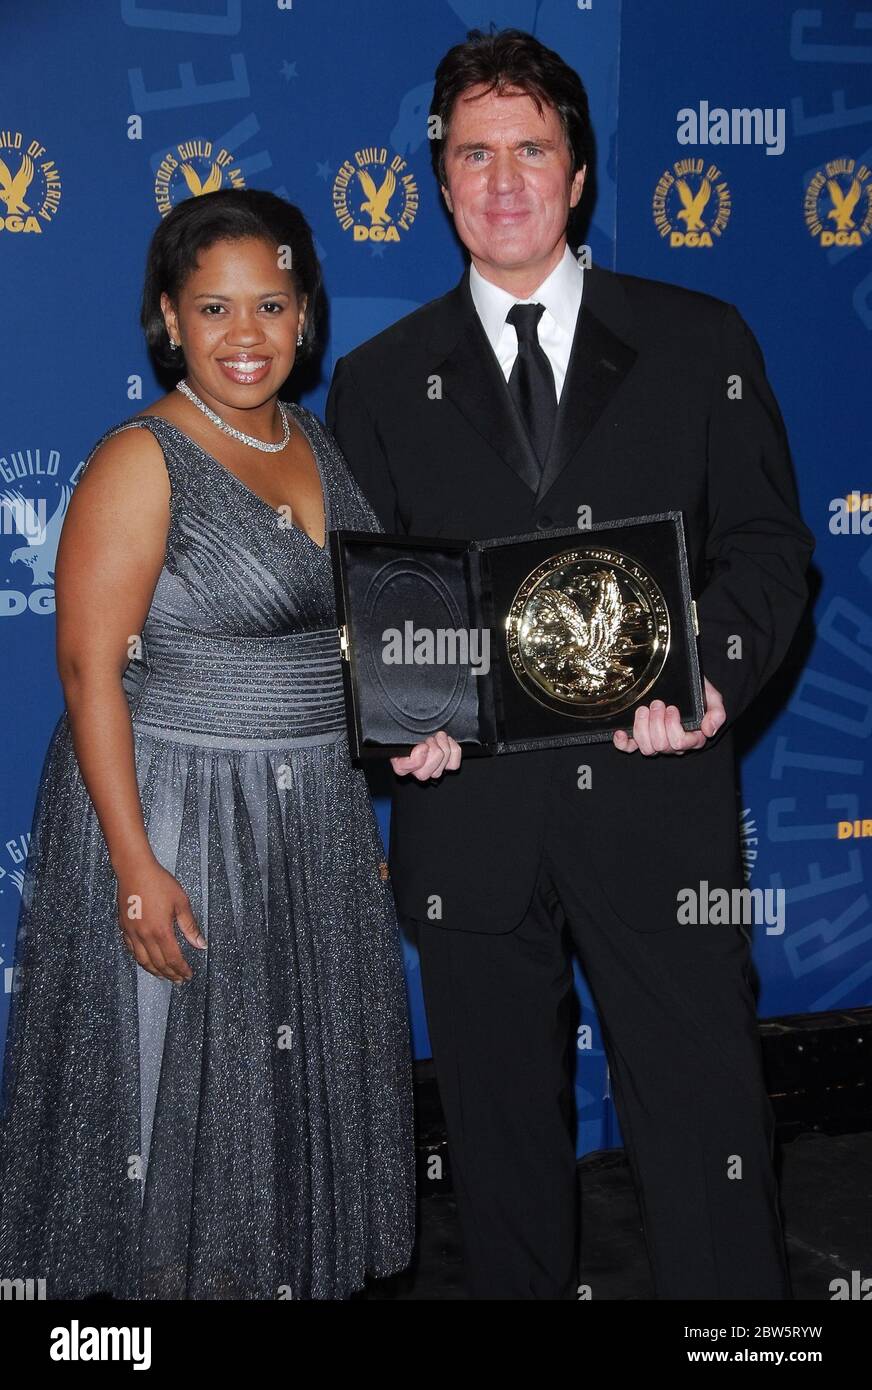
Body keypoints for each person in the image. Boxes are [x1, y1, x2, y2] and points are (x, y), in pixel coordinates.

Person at [326, 29, 815, 1299]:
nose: (501, 181)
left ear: (578, 172)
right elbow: (369, 607)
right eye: (472, 154)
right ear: (437, 181)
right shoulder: (376, 382)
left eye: (528, 150)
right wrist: (394, 721)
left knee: (709, 1141)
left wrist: (705, 673)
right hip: (469, 824)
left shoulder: (698, 337)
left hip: (657, 813)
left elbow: (766, 550)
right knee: (497, 1169)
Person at [0, 187, 460, 1300]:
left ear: (304, 314)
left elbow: (343, 634)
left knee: (281, 1104)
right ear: (168, 317)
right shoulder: (140, 458)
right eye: (213, 309)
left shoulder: (311, 436)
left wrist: (400, 731)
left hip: (308, 818)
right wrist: (132, 867)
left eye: (269, 303)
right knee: (178, 1103)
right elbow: (85, 670)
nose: (244, 335)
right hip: (179, 809)